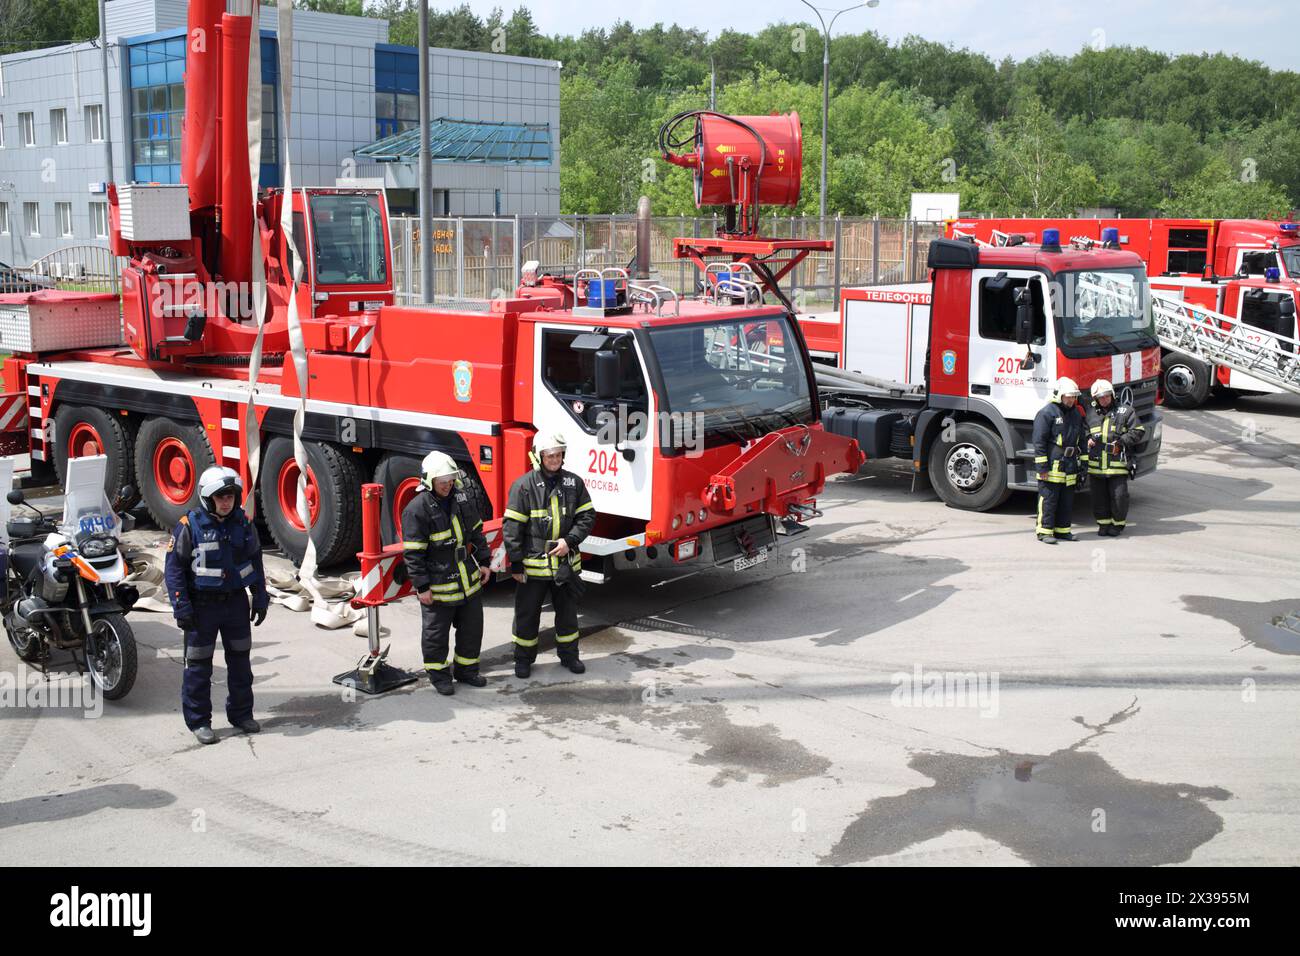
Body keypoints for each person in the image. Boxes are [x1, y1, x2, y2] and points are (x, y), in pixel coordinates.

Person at [164, 466, 269, 745]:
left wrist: (260, 596)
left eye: (231, 497)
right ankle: (199, 722)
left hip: (235, 604)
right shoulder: (190, 526)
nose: (226, 502)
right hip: (202, 608)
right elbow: (174, 569)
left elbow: (255, 560)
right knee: (198, 667)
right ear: (208, 498)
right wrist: (181, 607)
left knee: (240, 664)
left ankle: (241, 714)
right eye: (220, 497)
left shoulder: (244, 524)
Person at [502, 433, 596, 678]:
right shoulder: (523, 486)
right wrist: (516, 564)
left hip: (565, 565)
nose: (554, 459)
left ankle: (570, 656)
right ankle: (523, 660)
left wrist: (570, 541)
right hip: (534, 567)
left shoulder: (573, 483)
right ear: (539, 457)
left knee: (567, 615)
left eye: (558, 455)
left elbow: (587, 517)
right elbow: (512, 528)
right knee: (526, 616)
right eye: (549, 455)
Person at [400, 450, 492, 695]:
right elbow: (413, 553)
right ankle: (439, 677)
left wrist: (484, 562)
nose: (448, 486)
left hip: (467, 580)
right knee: (436, 635)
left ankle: (467, 670)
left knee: (472, 630)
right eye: (443, 482)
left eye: (451, 481)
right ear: (429, 481)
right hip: (439, 587)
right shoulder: (416, 510)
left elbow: (476, 532)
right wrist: (421, 587)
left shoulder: (461, 499)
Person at [1031, 377, 1088, 544]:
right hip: (1052, 465)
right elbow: (1039, 442)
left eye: (1073, 397)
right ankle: (1044, 531)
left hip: (1070, 465)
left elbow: (1082, 440)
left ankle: (1063, 531)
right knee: (1049, 498)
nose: (1071, 400)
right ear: (1059, 395)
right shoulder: (1046, 413)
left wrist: (1083, 464)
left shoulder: (1076, 413)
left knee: (1066, 500)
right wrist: (1042, 467)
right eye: (1068, 396)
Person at [1085, 379, 1145, 536]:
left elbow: (1138, 431)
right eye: (1100, 397)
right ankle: (1103, 524)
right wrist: (1087, 438)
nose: (1104, 400)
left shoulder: (1126, 411)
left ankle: (1118, 525)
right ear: (1095, 399)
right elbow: (1083, 429)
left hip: (1117, 464)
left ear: (1112, 395)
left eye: (1106, 396)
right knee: (1099, 498)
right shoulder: (1091, 412)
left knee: (1119, 497)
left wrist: (1121, 441)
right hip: (1096, 465)